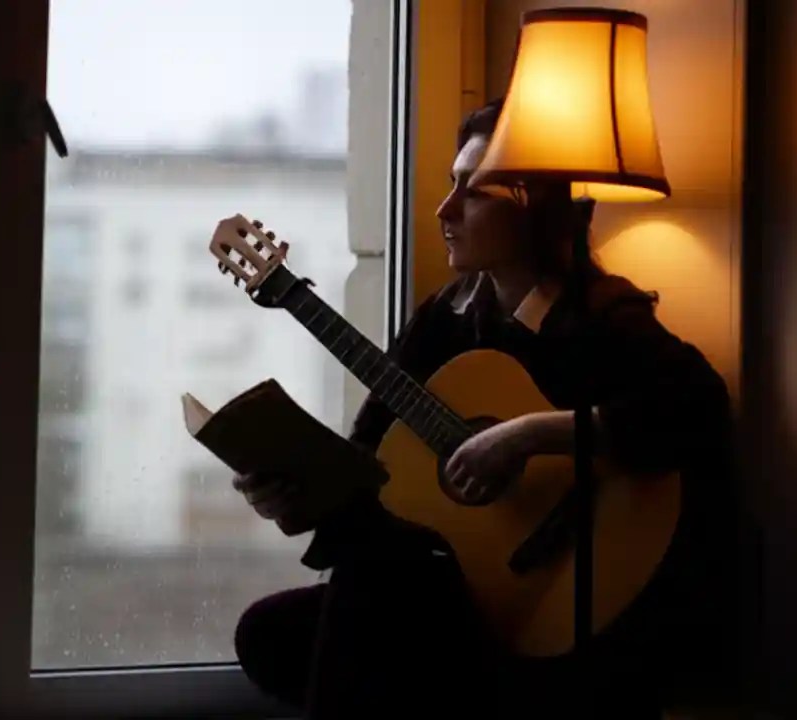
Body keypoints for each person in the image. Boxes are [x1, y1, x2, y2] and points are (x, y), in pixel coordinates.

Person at [231, 97, 740, 718]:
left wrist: (528, 435)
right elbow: (367, 465)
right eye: (451, 186)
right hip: (466, 594)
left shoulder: (601, 315)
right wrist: (296, 499)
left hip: (569, 607)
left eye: (472, 193)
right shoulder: (443, 321)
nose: (446, 211)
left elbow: (699, 409)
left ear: (534, 207)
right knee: (271, 634)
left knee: (376, 590)